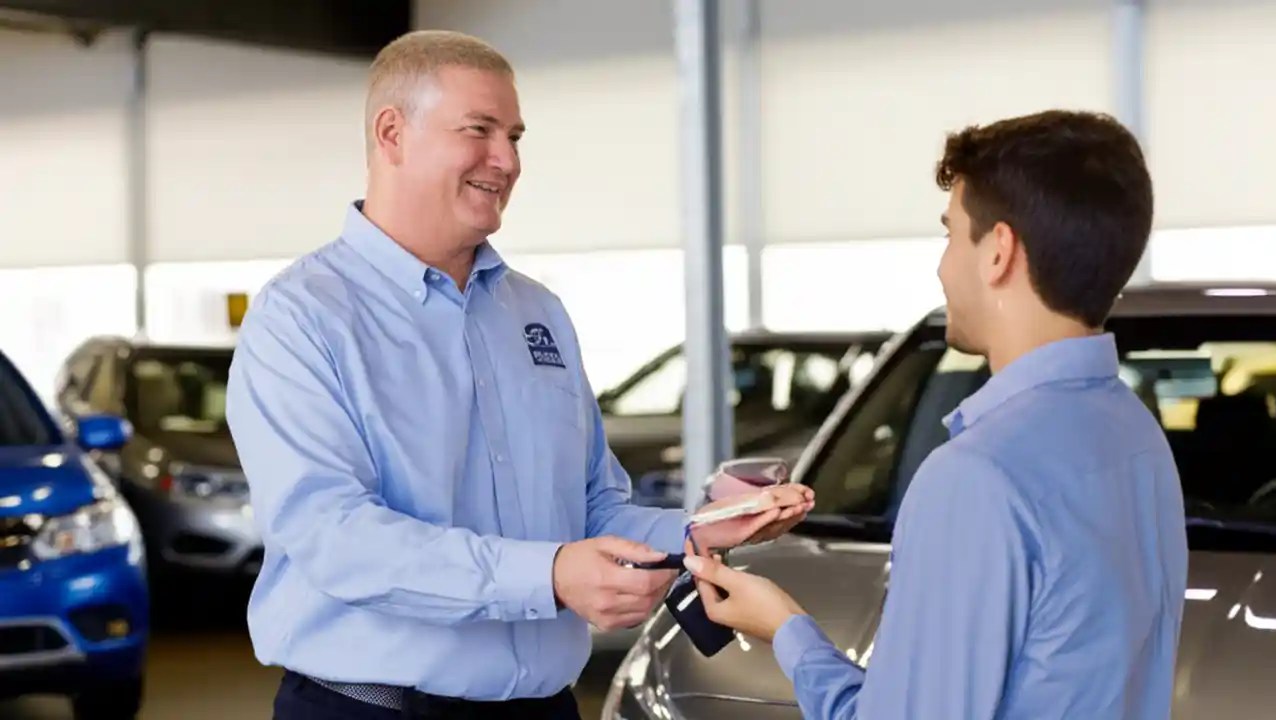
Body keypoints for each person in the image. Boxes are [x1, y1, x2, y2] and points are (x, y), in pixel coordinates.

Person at [224, 30, 813, 720]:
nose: (506, 160)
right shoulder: (301, 318)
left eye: (515, 136)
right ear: (392, 133)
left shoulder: (537, 312)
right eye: (480, 130)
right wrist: (551, 576)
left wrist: (695, 533)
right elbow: (337, 539)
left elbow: (591, 509)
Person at [682, 110, 1189, 719]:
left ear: (998, 251)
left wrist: (787, 629)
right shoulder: (1137, 437)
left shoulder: (977, 476)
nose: (943, 266)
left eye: (949, 234)